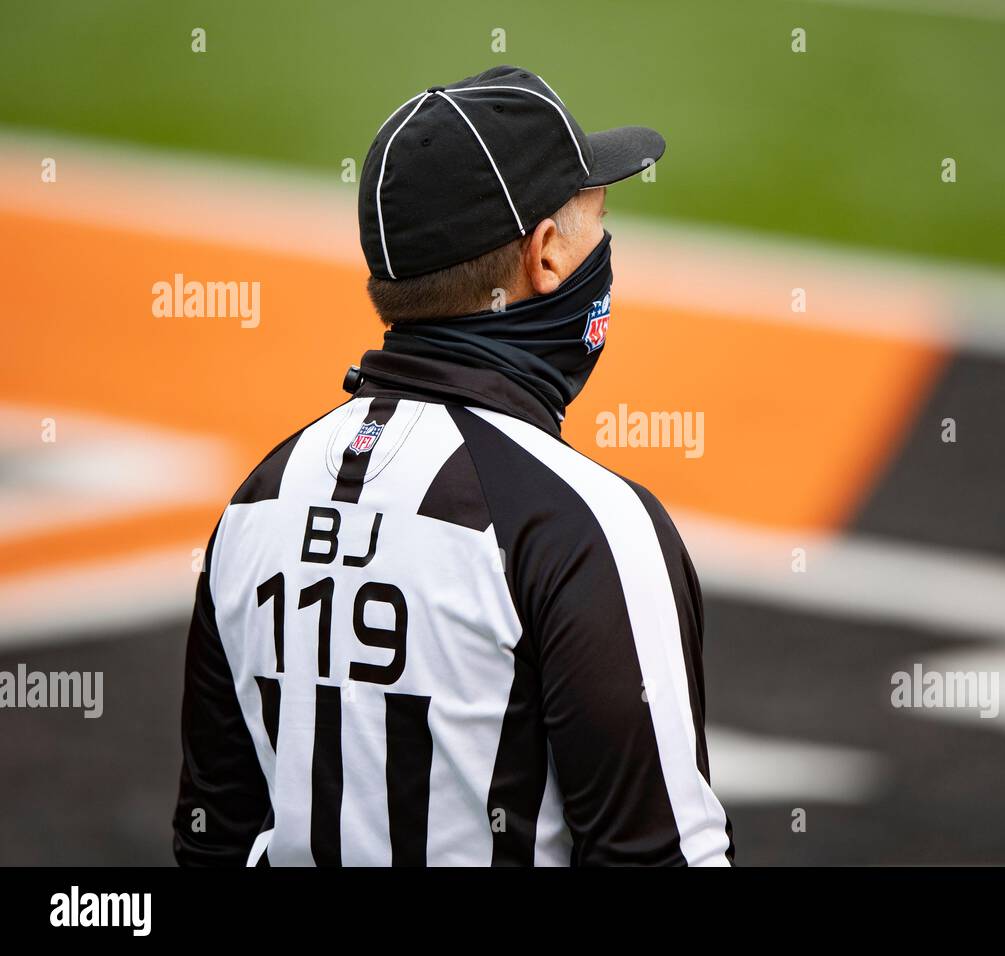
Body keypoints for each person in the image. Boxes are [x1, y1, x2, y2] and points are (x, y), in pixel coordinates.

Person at [173, 65, 734, 866]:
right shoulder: (587, 527)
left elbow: (213, 840)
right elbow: (661, 858)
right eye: (597, 221)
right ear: (545, 256)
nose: (606, 249)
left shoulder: (258, 502)